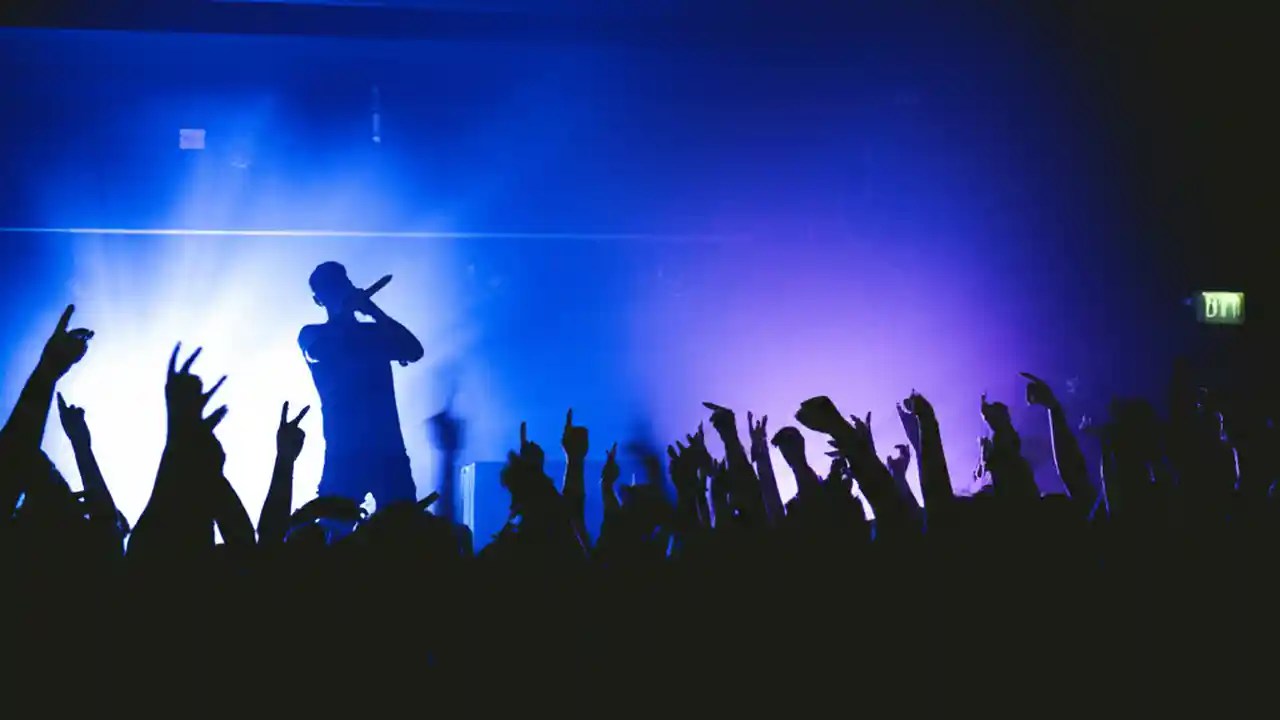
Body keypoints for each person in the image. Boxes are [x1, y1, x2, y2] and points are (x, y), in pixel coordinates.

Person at [299, 261, 425, 510]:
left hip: (389, 451)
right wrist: (344, 317)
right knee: (334, 526)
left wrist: (374, 312)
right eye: (330, 287)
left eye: (341, 283)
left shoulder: (373, 332)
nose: (339, 290)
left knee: (403, 527)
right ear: (318, 300)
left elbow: (414, 350)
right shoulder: (312, 333)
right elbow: (319, 352)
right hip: (344, 452)